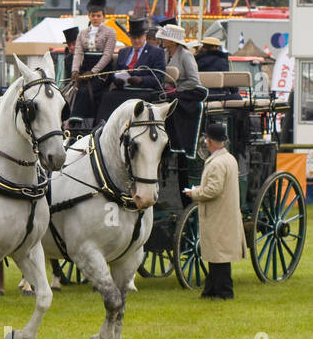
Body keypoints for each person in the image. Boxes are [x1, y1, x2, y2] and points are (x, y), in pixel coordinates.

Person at [184, 123, 245, 300]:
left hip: (218, 214)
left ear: (209, 141)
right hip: (223, 213)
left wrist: (193, 192)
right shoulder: (229, 159)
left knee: (219, 255)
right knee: (216, 254)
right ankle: (211, 289)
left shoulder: (217, 163)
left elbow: (213, 190)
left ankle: (224, 291)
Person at [97, 17, 166, 122]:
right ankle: (103, 127)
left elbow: (159, 77)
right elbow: (114, 72)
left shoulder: (157, 53)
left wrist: (141, 80)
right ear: (130, 37)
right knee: (107, 97)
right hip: (124, 89)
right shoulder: (124, 52)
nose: (137, 41)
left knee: (128, 100)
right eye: (134, 38)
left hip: (143, 91)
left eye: (139, 37)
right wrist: (116, 79)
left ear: (145, 37)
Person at [158, 23, 206, 152]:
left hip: (186, 92)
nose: (161, 40)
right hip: (167, 91)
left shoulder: (186, 55)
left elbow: (193, 80)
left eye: (164, 38)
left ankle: (178, 145)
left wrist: (176, 89)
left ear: (173, 41)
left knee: (174, 106)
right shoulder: (163, 53)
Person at [70, 0, 118, 122]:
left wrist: (93, 72)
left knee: (86, 91)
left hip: (102, 71)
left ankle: (77, 119)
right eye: (93, 15)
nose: (95, 18)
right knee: (75, 90)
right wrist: (75, 70)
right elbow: (78, 53)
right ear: (89, 16)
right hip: (85, 67)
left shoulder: (110, 32)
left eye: (98, 16)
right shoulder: (82, 33)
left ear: (103, 17)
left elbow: (108, 55)